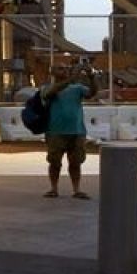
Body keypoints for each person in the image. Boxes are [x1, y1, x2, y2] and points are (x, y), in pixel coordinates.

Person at [41, 65, 96, 199]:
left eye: (66, 69)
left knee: (76, 162)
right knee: (54, 162)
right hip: (55, 131)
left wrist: (92, 78)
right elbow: (50, 93)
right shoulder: (47, 88)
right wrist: (71, 79)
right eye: (60, 68)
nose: (64, 70)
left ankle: (76, 190)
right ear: (52, 72)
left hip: (77, 131)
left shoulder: (77, 88)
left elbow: (92, 93)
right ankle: (54, 188)